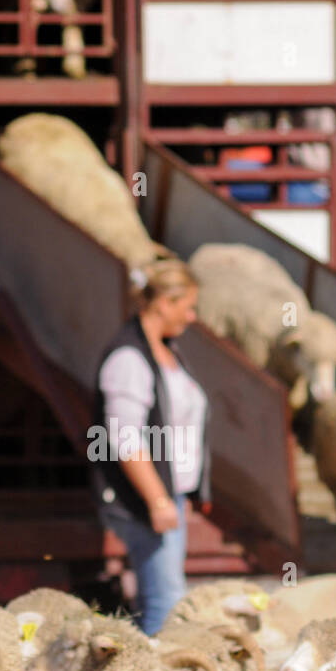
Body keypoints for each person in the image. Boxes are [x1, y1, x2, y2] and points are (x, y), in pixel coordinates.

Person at [92, 259, 211, 635]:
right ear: (163, 303)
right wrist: (157, 498)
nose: (192, 317)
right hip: (144, 496)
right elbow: (124, 435)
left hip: (168, 491)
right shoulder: (128, 357)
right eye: (187, 306)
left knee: (160, 593)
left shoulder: (167, 351)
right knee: (166, 598)